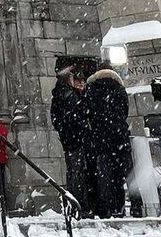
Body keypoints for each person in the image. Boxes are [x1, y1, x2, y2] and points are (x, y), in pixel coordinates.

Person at [85, 63, 131, 217]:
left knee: (103, 173)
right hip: (118, 136)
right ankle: (119, 206)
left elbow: (87, 112)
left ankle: (105, 207)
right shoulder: (119, 88)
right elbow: (125, 111)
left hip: (100, 137)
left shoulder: (91, 89)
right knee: (119, 174)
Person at [56, 64, 95, 217]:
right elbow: (78, 117)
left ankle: (74, 205)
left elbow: (58, 119)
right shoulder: (69, 96)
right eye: (73, 78)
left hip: (70, 140)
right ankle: (80, 207)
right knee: (77, 174)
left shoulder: (60, 94)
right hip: (75, 141)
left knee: (73, 173)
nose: (77, 82)